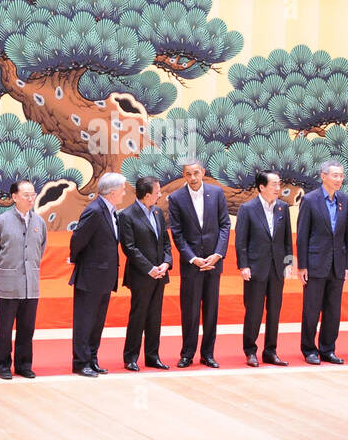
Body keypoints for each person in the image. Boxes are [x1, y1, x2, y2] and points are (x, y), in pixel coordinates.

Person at [166, 158, 231, 368]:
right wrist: (193, 258)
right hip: (191, 264)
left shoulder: (217, 193)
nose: (193, 178)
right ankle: (187, 354)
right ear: (183, 175)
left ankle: (208, 353)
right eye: (188, 174)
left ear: (203, 172)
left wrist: (218, 254)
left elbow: (225, 225)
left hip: (213, 262)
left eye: (196, 173)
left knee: (211, 311)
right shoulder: (176, 198)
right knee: (190, 312)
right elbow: (177, 233)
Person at [0, 179, 46, 379]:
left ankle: (24, 364)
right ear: (14, 197)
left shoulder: (39, 222)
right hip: (8, 284)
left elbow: (41, 248)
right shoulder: (2, 221)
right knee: (4, 328)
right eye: (26, 195)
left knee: (27, 327)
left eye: (33, 194)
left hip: (31, 284)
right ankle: (2, 364)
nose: (31, 198)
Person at [68, 173, 127, 377]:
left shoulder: (110, 211)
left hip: (105, 276)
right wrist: (80, 261)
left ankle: (92, 359)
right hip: (90, 276)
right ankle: (81, 362)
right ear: (112, 192)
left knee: (97, 322)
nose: (124, 193)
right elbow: (77, 240)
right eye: (122, 189)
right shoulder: (94, 210)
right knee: (85, 322)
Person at [297, 160, 348, 365]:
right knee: (311, 309)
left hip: (337, 264)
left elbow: (347, 235)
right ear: (323, 176)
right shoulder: (310, 200)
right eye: (335, 175)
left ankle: (328, 349)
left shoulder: (345, 200)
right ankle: (309, 349)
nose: (339, 179)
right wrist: (302, 265)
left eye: (341, 176)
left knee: (333, 310)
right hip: (315, 263)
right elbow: (302, 235)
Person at [235, 171, 293, 367]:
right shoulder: (247, 208)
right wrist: (243, 265)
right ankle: (250, 351)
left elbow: (287, 240)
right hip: (255, 268)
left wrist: (288, 263)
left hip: (277, 268)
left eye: (279, 184)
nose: (278, 188)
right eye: (274, 184)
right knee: (254, 311)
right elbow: (241, 241)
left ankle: (271, 351)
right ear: (261, 187)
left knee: (274, 311)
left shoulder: (283, 208)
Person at [117, 176, 173, 371]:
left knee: (155, 317)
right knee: (138, 316)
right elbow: (129, 248)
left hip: (160, 273)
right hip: (142, 275)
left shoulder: (157, 212)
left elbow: (166, 241)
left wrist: (166, 263)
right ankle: (130, 357)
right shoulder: (127, 215)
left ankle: (152, 356)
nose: (160, 195)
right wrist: (150, 269)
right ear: (147, 195)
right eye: (157, 192)